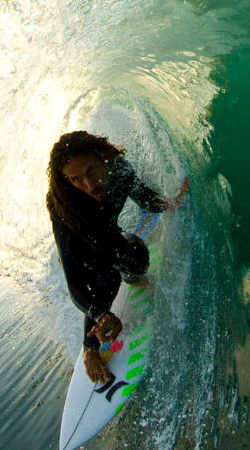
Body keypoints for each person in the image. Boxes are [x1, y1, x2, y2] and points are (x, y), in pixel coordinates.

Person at [46, 130, 189, 385]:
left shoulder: (119, 170)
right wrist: (100, 317)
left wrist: (170, 202)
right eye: (76, 179)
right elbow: (74, 283)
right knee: (105, 278)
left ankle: (129, 277)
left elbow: (145, 198)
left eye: (91, 170)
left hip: (109, 237)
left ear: (102, 158)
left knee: (137, 259)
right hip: (78, 251)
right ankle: (89, 349)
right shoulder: (63, 203)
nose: (89, 185)